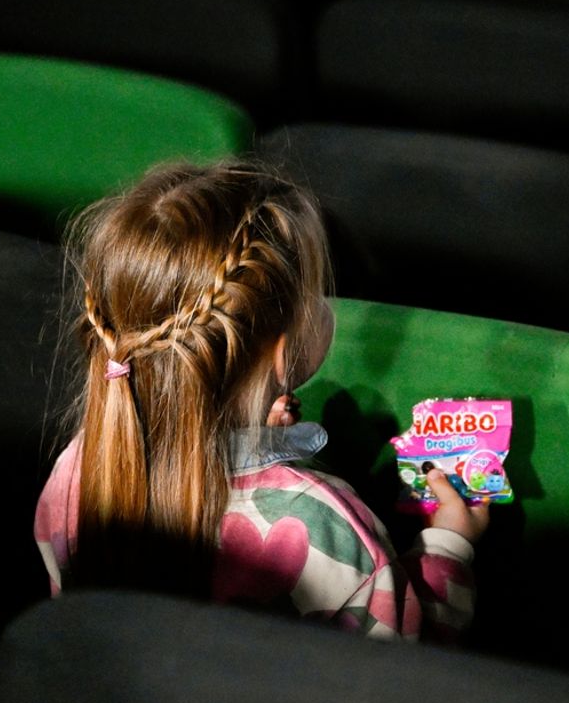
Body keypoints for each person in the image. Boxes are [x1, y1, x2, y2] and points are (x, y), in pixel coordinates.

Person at [34, 158, 490, 642]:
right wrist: (449, 545)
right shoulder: (326, 524)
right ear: (282, 352)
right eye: (315, 296)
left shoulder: (77, 469)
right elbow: (406, 667)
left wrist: (259, 437)